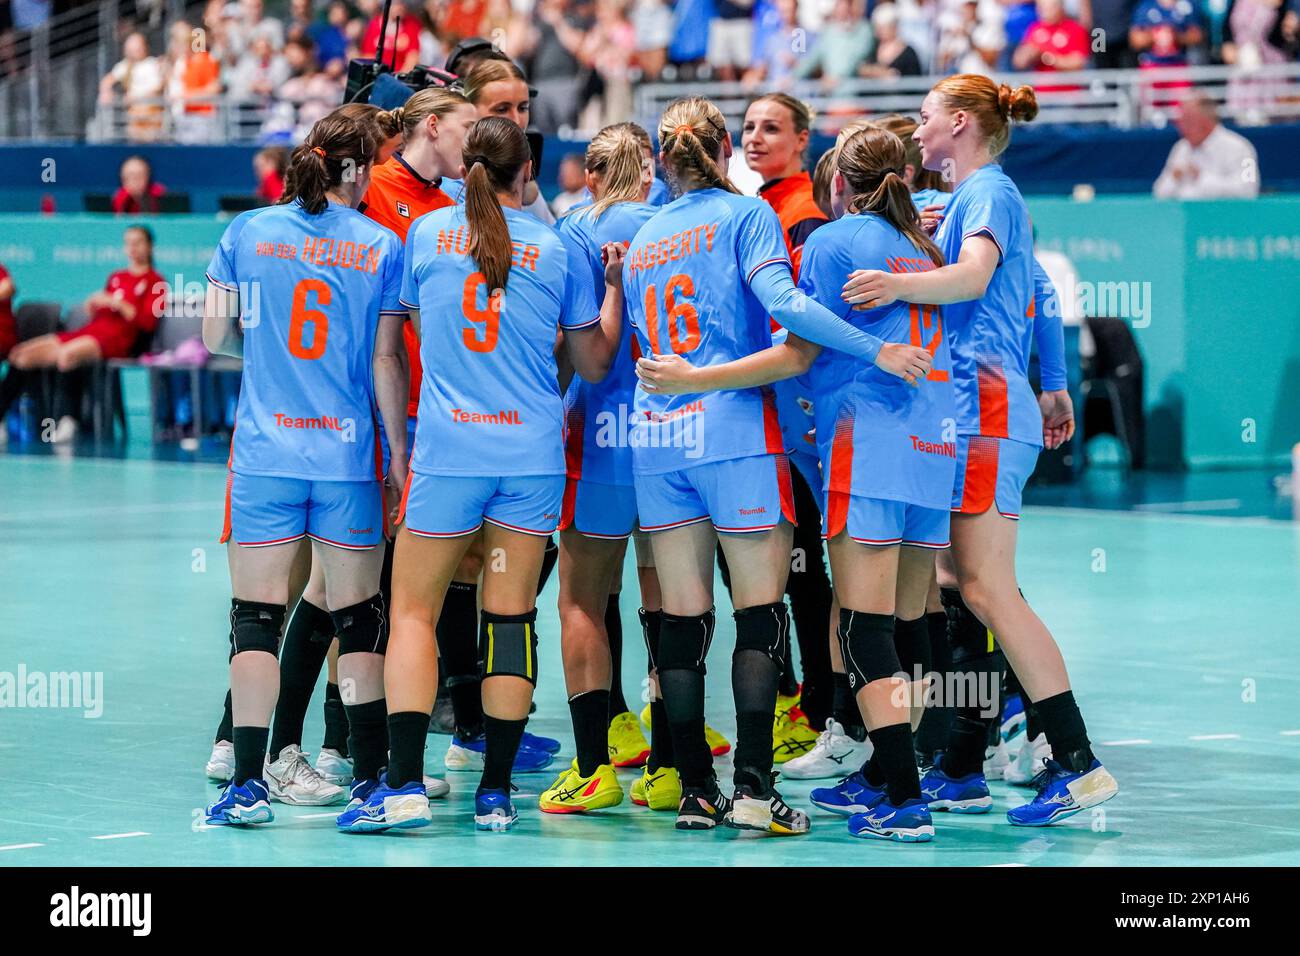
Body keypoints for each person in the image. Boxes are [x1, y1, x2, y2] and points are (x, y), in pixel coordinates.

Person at [637, 125, 957, 842]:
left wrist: (697, 378)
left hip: (855, 441)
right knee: (913, 619)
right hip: (935, 441)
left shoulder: (832, 241)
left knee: (858, 627)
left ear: (838, 183)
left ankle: (898, 794)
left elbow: (796, 346)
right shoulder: (925, 246)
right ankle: (915, 769)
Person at [840, 74, 1120, 827]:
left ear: (959, 123)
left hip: (986, 411)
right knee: (958, 583)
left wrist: (895, 288)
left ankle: (1077, 761)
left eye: (927, 117)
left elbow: (975, 279)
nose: (918, 130)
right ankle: (957, 761)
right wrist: (1054, 383)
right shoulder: (968, 197)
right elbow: (1033, 295)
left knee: (988, 589)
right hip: (974, 413)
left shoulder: (988, 192)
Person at [349, 116, 627, 832]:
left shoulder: (425, 236)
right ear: (526, 172)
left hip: (448, 456)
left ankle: (404, 786)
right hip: (529, 459)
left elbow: (395, 347)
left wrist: (399, 453)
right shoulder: (558, 247)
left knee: (413, 613)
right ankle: (498, 794)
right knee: (511, 619)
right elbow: (593, 363)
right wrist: (616, 289)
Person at [200, 110, 409, 827]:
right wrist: (399, 458)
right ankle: (374, 786)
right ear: (358, 171)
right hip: (347, 458)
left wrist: (270, 362)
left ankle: (247, 784)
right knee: (359, 620)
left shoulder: (246, 233)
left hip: (266, 456)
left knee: (254, 621)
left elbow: (215, 337)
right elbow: (386, 362)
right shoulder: (383, 246)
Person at [537, 122, 661, 814]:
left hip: (598, 434)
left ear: (589, 177)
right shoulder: (677, 222)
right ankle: (672, 768)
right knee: (671, 601)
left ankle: (592, 769)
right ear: (647, 173)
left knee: (583, 599)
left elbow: (566, 341)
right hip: (674, 436)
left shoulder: (574, 232)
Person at [739, 92, 835, 765]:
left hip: (793, 415)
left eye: (770, 128)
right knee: (787, 566)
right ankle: (803, 700)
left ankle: (821, 709)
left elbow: (801, 321)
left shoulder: (800, 214)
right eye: (747, 127)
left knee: (806, 569)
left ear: (802, 140)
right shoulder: (761, 207)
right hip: (767, 413)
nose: (755, 137)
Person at [5, 225, 165, 443]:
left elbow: (148, 323)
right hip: (92, 331)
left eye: (138, 243)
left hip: (119, 339)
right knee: (20, 356)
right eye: (128, 243)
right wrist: (95, 304)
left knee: (67, 357)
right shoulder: (116, 276)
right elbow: (100, 312)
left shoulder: (156, 281)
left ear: (149, 246)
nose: (133, 248)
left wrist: (119, 304)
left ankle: (68, 419)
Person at [1153, 90, 1260, 199]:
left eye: (1188, 120)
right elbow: (1159, 192)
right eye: (1180, 121)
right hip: (1185, 214)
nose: (1181, 127)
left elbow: (1249, 189)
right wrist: (1174, 179)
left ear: (1206, 121)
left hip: (1225, 214)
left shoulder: (1242, 147)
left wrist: (1201, 178)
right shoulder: (1180, 148)